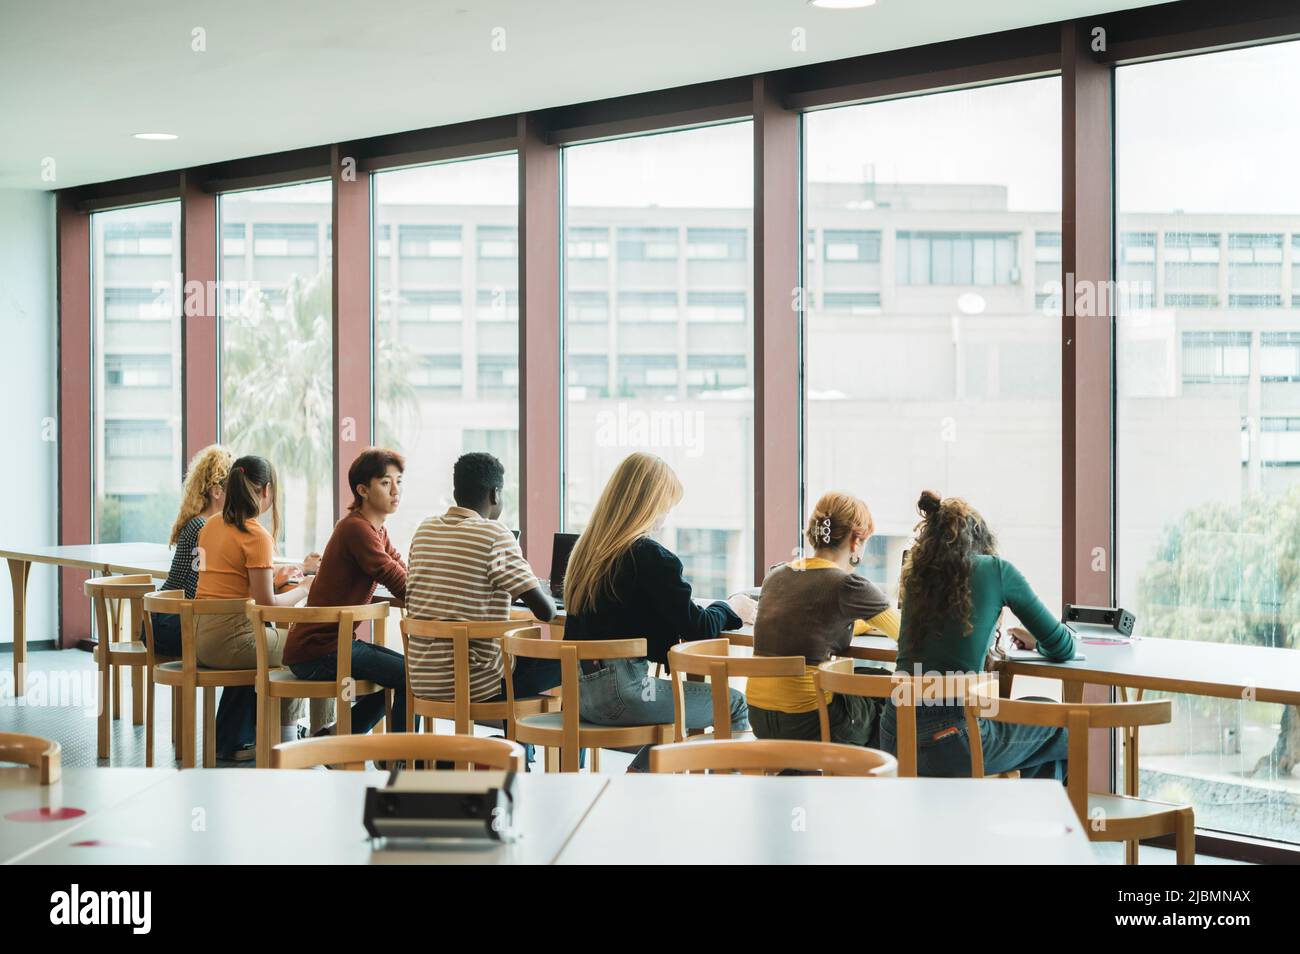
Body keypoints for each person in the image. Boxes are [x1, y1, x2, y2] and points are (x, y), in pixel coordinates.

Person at [562, 451, 749, 771]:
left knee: (672, 701)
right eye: (665, 507)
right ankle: (724, 797)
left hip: (578, 695)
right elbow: (699, 628)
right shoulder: (648, 555)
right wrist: (732, 607)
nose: (665, 518)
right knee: (732, 703)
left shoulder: (587, 553)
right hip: (624, 694)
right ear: (648, 505)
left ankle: (637, 777)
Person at [882, 490, 1076, 780]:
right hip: (953, 738)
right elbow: (1064, 647)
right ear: (982, 540)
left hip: (895, 736)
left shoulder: (915, 577)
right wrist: (1039, 644)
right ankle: (1033, 821)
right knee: (1061, 723)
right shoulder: (995, 570)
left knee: (1037, 714)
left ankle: (1006, 818)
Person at [404, 452, 559, 708]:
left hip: (422, 677)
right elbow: (546, 612)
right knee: (572, 661)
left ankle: (516, 749)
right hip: (476, 681)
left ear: (457, 491)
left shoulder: (424, 530)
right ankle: (517, 749)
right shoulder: (495, 534)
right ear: (495, 494)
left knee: (516, 658)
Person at [748, 491, 900, 746]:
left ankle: (797, 774)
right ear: (856, 541)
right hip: (811, 721)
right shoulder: (848, 584)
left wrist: (858, 625)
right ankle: (870, 779)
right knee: (892, 697)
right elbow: (906, 632)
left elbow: (815, 622)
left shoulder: (775, 575)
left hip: (760, 717)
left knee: (866, 676)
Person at [193, 455, 317, 759]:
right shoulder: (255, 535)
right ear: (266, 490)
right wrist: (304, 588)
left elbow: (233, 586)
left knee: (289, 645)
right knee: (310, 647)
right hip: (234, 641)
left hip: (200, 640)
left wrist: (274, 581)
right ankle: (293, 738)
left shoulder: (210, 526)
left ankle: (277, 734)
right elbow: (268, 607)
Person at [284, 448, 410, 736]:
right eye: (385, 482)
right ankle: (400, 757)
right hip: (318, 652)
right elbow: (392, 576)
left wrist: (427, 590)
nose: (395, 490)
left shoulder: (375, 530)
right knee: (410, 675)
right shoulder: (356, 529)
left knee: (404, 674)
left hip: (330, 648)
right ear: (363, 490)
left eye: (399, 482)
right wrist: (434, 601)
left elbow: (400, 569)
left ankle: (337, 739)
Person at [147, 445, 233, 658]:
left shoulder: (203, 524)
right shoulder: (202, 528)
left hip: (171, 619)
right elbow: (201, 585)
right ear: (217, 491)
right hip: (172, 624)